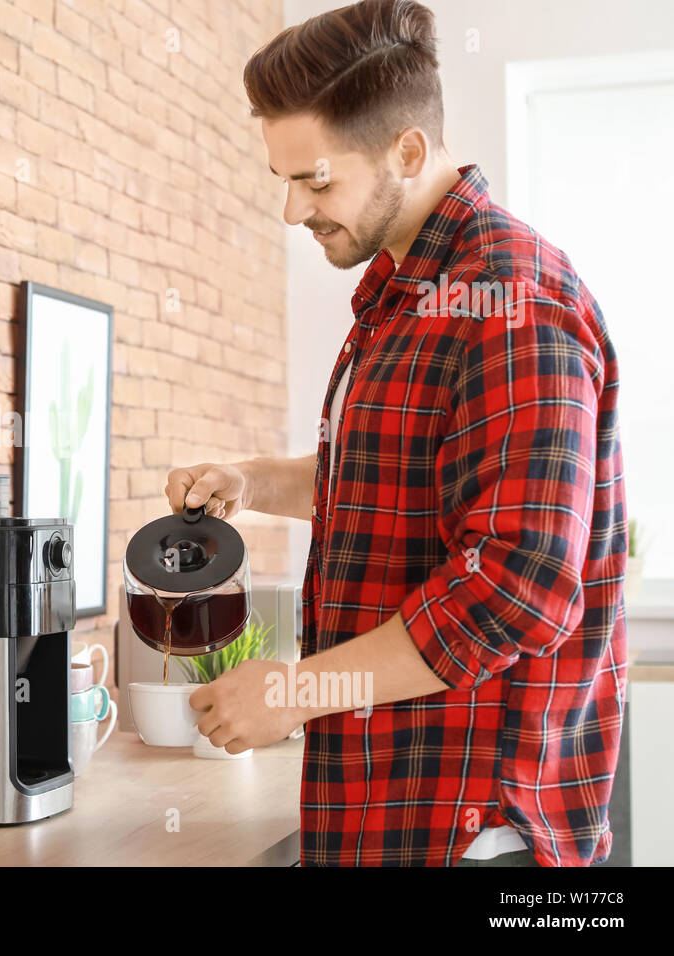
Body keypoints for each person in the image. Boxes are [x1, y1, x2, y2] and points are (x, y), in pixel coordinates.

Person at [164, 0, 627, 866]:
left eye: (316, 180)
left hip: (475, 832)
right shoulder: (404, 296)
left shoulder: (513, 301)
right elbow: (398, 478)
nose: (293, 210)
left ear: (407, 152)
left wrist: (301, 689)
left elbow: (518, 587)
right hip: (389, 810)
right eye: (285, 178)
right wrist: (256, 481)